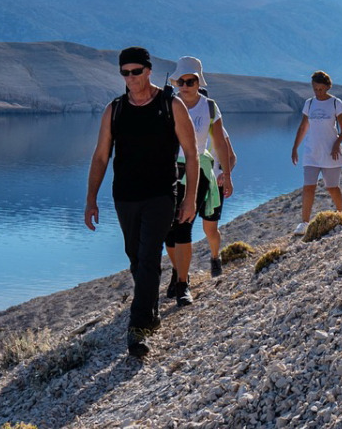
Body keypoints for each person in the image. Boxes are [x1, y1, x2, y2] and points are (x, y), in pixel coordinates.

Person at [84, 47, 199, 358]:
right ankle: (151, 311)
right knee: (136, 258)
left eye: (136, 71)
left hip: (162, 194)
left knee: (149, 256)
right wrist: (90, 199)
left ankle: (138, 329)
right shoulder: (115, 109)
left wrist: (189, 199)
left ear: (148, 71)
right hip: (124, 196)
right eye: (125, 73)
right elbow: (100, 156)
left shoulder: (170, 104)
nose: (130, 78)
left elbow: (191, 155)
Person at [164, 55, 237, 293]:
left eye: (191, 81)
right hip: (171, 172)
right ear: (176, 83)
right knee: (169, 230)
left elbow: (221, 144)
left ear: (199, 83)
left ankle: (187, 276)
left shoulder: (209, 107)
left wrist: (226, 175)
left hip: (201, 172)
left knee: (187, 226)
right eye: (181, 81)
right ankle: (178, 272)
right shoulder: (168, 105)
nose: (185, 86)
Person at [292, 71, 342, 221]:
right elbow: (303, 127)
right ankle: (304, 223)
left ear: (327, 87)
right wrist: (295, 148)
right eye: (315, 89)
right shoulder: (309, 103)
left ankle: (341, 213)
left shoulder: (336, 103)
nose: (318, 92)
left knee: (332, 187)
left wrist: (337, 144)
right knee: (308, 187)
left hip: (331, 152)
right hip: (312, 152)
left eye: (321, 89)